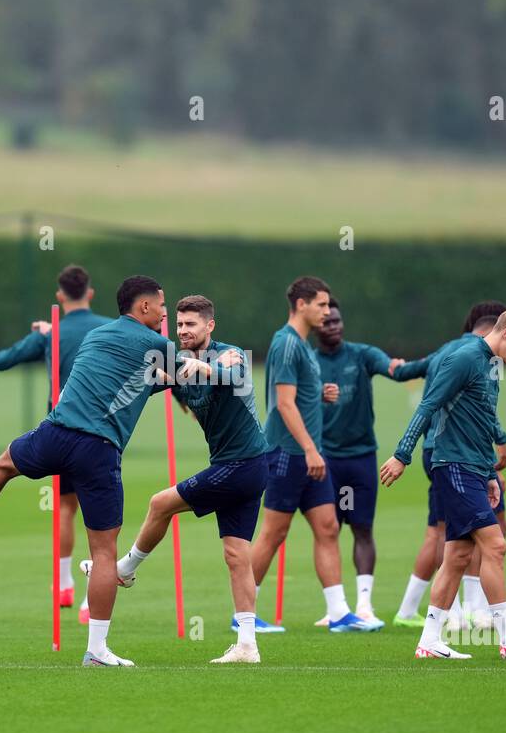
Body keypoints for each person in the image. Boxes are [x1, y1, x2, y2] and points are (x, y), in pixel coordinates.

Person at [0, 276, 173, 667]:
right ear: (143, 307)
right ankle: (97, 650)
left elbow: (140, 382)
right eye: (162, 306)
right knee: (105, 554)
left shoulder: (99, 336)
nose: (166, 314)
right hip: (98, 449)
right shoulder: (154, 343)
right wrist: (222, 363)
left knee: (3, 465)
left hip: (55, 432)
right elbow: (185, 372)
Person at [107, 295, 269, 662]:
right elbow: (140, 384)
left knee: (159, 503)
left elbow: (236, 375)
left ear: (210, 326)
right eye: (179, 325)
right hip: (242, 466)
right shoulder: (176, 362)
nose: (183, 331)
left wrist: (206, 369)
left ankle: (126, 569)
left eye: (191, 324)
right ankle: (247, 645)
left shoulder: (230, 354)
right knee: (236, 555)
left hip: (243, 464)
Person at [380, 309, 506, 660]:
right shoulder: (464, 358)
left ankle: (429, 641)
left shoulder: (489, 362)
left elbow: (482, 417)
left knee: (457, 555)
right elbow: (427, 405)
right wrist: (401, 455)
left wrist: (489, 472)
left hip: (472, 467)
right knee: (495, 545)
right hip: (452, 465)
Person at [0, 265, 114, 623]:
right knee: (99, 522)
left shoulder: (50, 333)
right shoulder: (107, 327)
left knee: (66, 509)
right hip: (100, 433)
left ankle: (65, 584)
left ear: (59, 296)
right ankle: (90, 603)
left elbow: (2, 360)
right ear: (90, 293)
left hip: (57, 431)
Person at [247, 276, 381, 633]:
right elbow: (284, 404)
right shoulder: (286, 344)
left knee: (328, 527)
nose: (327, 311)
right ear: (301, 305)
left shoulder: (303, 346)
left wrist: (317, 393)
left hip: (308, 454)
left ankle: (339, 613)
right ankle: (243, 614)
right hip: (288, 454)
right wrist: (310, 449)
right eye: (321, 305)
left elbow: (297, 396)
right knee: (273, 533)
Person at [392, 305, 506, 629]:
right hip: (455, 453)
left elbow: (406, 373)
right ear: (500, 330)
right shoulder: (476, 357)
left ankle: (433, 617)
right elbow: (476, 407)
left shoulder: (446, 350)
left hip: (445, 454)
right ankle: (476, 613)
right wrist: (501, 440)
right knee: (487, 533)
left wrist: (393, 366)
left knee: (452, 537)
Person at [313, 297, 423, 625]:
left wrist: (429, 363)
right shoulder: (308, 360)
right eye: (327, 321)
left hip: (360, 457)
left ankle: (364, 605)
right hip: (325, 459)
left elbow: (397, 371)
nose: (334, 326)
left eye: (337, 320)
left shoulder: (361, 354)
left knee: (362, 528)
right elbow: (285, 398)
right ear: (316, 324)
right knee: (326, 531)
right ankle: (336, 607)